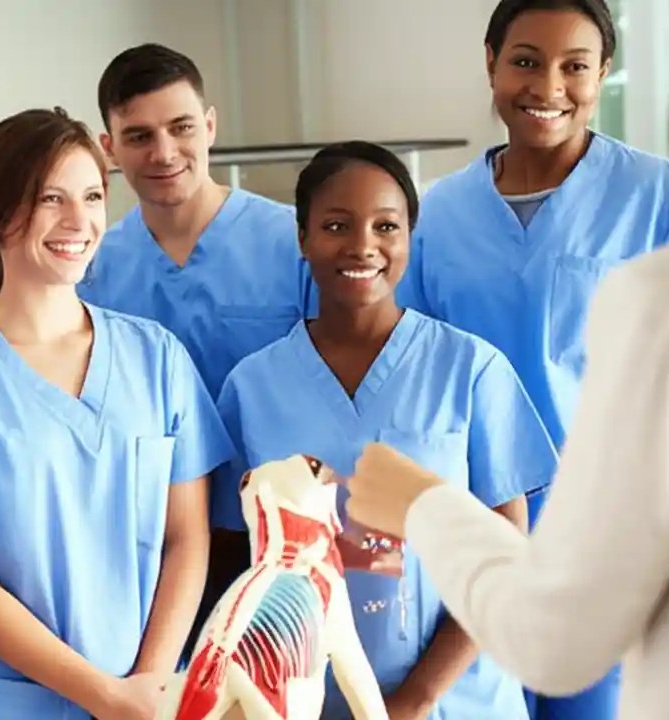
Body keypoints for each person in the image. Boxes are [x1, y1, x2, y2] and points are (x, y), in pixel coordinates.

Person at [346, 0, 669, 717]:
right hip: (471, 522)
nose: (548, 88)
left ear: (606, 73)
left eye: (576, 66)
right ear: (491, 63)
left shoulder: (660, 199)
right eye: (526, 62)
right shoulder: (436, 214)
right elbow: (410, 362)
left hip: (620, 526)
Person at [0, 107, 233, 719]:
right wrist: (106, 698)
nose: (79, 221)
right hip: (12, 702)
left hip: (151, 692)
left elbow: (187, 538)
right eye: (51, 198)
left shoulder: (156, 357)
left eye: (93, 196)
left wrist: (143, 686)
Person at [211, 142, 556, 719]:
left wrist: (416, 699)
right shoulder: (253, 387)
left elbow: (507, 555)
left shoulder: (469, 370)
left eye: (386, 226)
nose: (362, 245)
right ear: (303, 238)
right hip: (311, 703)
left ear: (409, 237)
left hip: (457, 700)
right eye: (336, 225)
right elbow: (232, 559)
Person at [80, 43, 315, 399]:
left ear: (209, 127)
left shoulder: (296, 244)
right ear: (109, 149)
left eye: (182, 128)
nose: (164, 154)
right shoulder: (94, 269)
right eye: (140, 136)